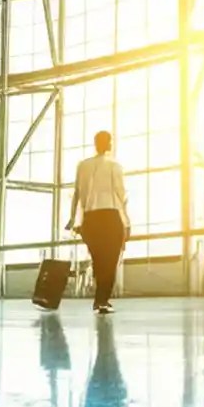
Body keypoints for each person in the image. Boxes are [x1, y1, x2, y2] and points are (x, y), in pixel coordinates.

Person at [66, 131, 129, 314]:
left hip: (90, 219)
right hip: (110, 216)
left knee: (98, 260)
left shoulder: (82, 166)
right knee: (110, 261)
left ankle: (100, 300)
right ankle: (102, 300)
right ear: (108, 144)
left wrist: (73, 219)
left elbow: (77, 193)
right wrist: (127, 220)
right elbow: (121, 194)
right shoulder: (114, 165)